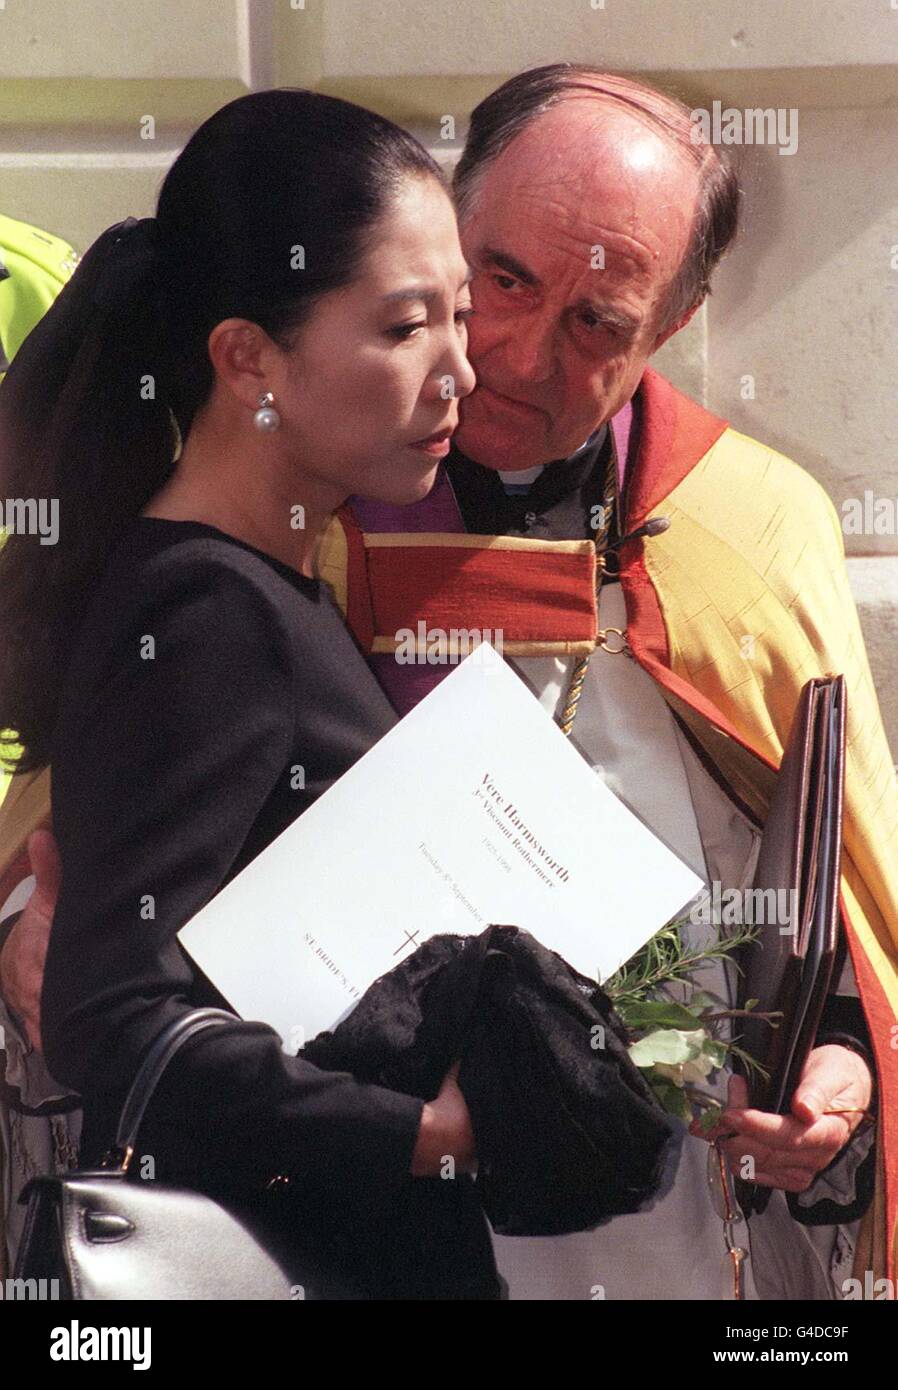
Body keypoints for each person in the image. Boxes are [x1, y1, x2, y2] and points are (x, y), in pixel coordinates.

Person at [3, 65, 896, 1300]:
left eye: (597, 322)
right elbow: (80, 854)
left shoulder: (750, 526)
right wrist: (35, 929)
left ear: (675, 323)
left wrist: (838, 1071)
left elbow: (832, 903)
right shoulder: (262, 519)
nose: (511, 359)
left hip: (659, 1243)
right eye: (501, 286)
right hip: (329, 1225)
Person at [0, 87, 499, 1300]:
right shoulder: (213, 611)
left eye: (461, 319)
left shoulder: (246, 581)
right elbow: (112, 1018)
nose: (461, 374)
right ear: (246, 359)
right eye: (403, 329)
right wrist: (421, 1139)